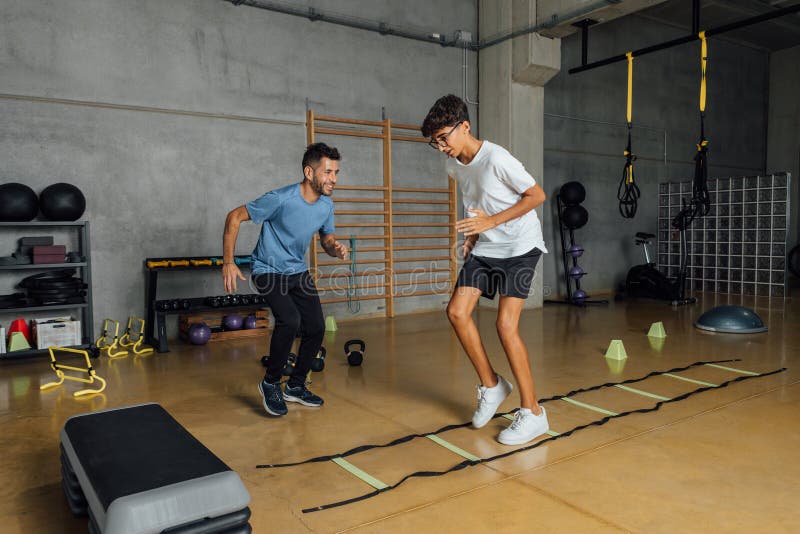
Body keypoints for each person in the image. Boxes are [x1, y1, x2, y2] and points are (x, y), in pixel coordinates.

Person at [421, 94, 549, 445]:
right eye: (435, 142)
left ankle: (534, 412)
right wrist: (474, 238)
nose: (441, 146)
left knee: (505, 326)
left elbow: (537, 195)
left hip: (521, 247)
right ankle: (492, 386)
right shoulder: (452, 165)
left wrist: (491, 221)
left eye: (444, 137)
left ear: (465, 126)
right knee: (457, 312)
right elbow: (475, 199)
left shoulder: (498, 158)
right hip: (488, 245)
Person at [222, 142, 348, 417]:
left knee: (315, 327)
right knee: (290, 320)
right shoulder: (280, 199)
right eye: (328, 172)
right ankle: (270, 383)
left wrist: (333, 247)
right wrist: (229, 262)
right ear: (309, 172)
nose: (334, 179)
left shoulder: (326, 205)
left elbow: (326, 238)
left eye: (336, 172)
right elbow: (234, 217)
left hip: (296, 271)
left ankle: (295, 386)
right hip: (267, 269)